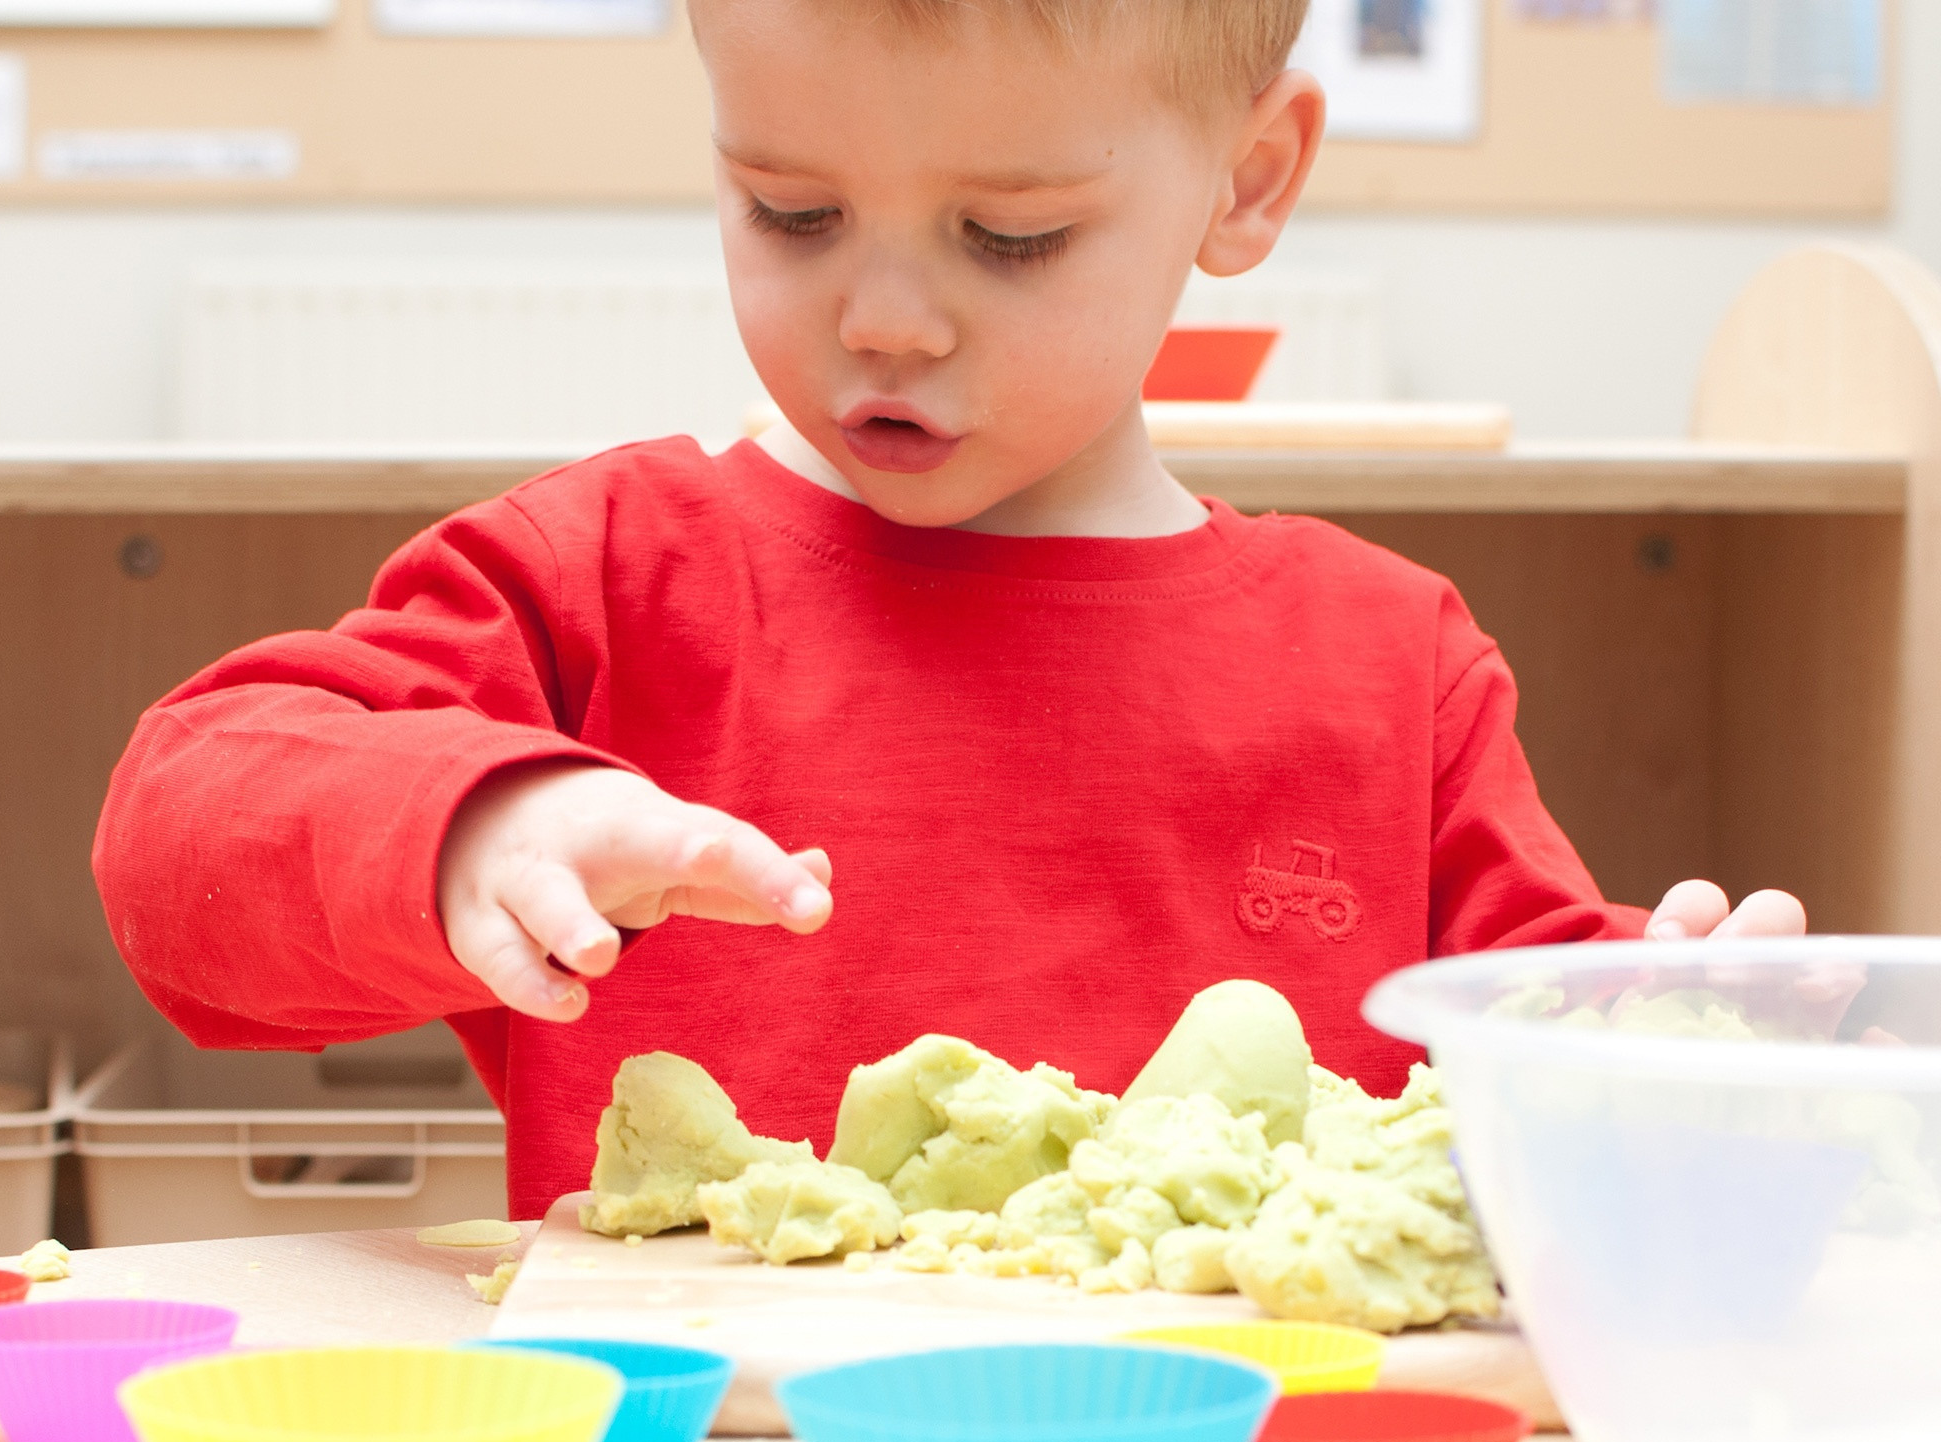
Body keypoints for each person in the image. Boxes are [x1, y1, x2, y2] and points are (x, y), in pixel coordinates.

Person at [93, 0, 1803, 1224]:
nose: (890, 317)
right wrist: (481, 823)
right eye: (794, 212)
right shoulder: (609, 581)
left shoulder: (1386, 664)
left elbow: (1539, 1087)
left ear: (1247, 182)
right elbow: (181, 851)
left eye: (1010, 235)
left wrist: (1684, 1044)